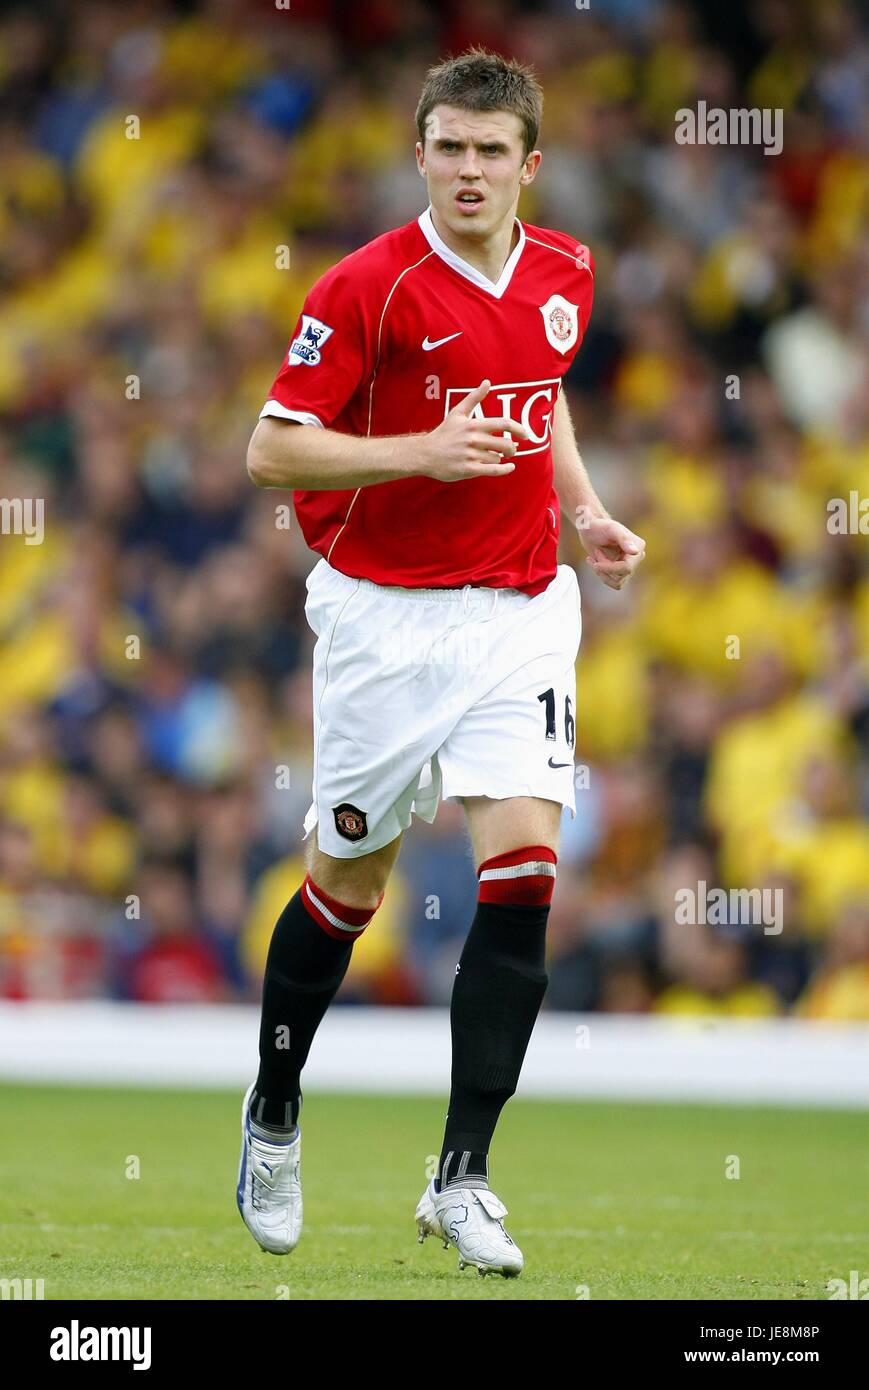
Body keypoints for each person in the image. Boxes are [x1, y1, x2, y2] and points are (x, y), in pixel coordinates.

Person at [236, 47, 645, 1278]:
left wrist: (580, 509)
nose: (469, 171)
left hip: (519, 605)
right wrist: (419, 450)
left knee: (522, 873)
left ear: (530, 163)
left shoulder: (566, 270)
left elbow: (542, 391)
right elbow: (269, 451)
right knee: (345, 888)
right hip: (383, 619)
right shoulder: (367, 285)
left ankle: (461, 1175)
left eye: (491, 151)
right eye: (448, 149)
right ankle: (272, 1106)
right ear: (419, 154)